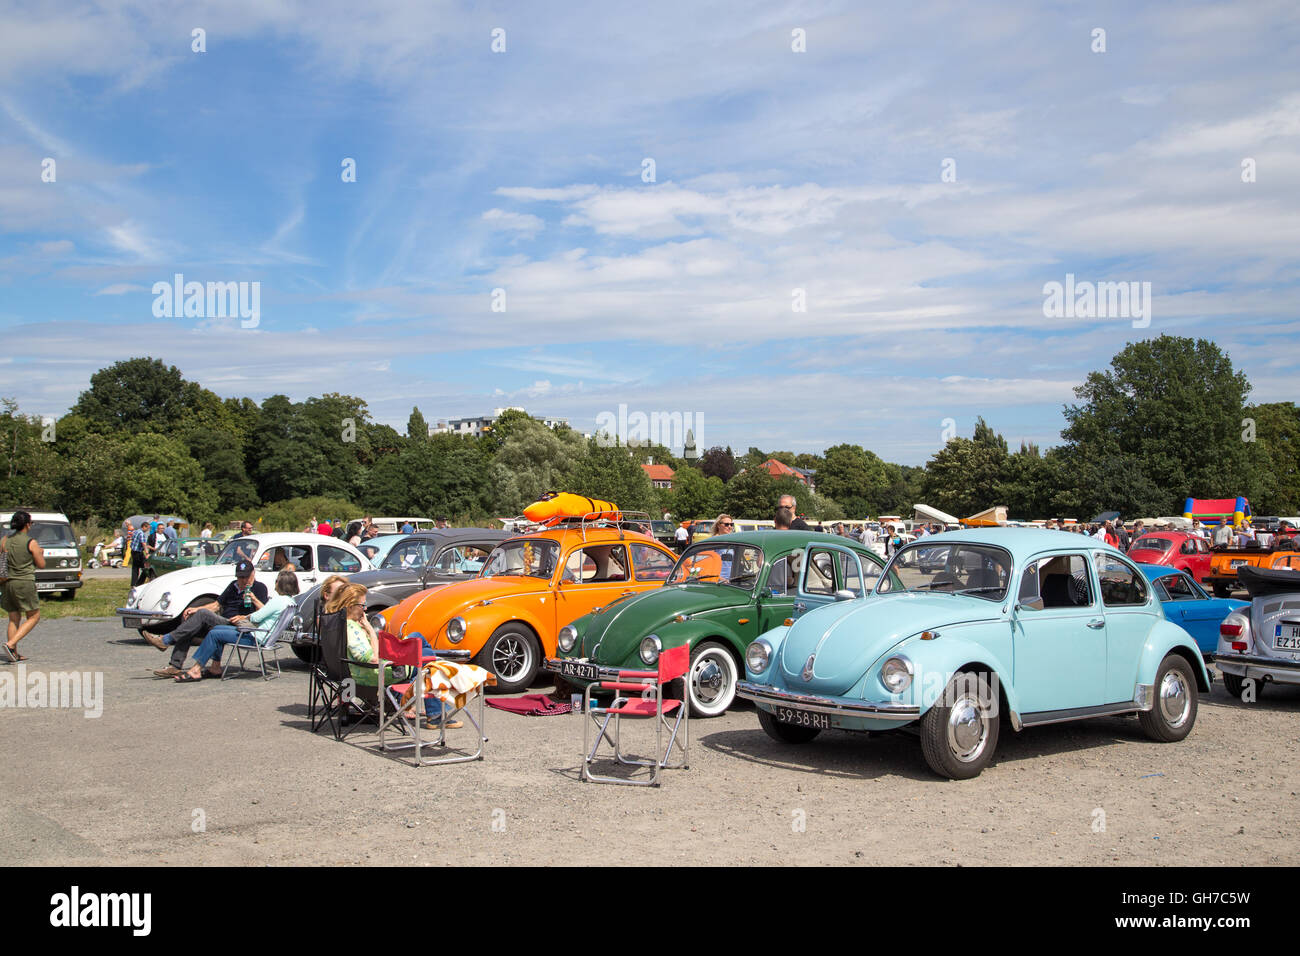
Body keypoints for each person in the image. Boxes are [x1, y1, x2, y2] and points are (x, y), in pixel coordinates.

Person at [334, 582, 461, 729]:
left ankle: (412, 702)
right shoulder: (351, 628)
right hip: (377, 672)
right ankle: (434, 714)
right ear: (350, 605)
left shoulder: (339, 623)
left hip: (368, 669)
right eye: (362, 605)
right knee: (429, 663)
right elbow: (372, 659)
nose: (366, 609)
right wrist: (370, 631)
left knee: (418, 640)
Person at [138, 560, 270, 677]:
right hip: (224, 620)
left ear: (253, 574)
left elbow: (263, 612)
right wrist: (195, 609)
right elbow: (216, 605)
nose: (242, 580)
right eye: (240, 577)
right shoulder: (233, 586)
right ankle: (175, 665)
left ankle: (165, 640)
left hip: (239, 625)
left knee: (202, 615)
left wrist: (250, 604)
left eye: (245, 577)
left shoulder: (259, 588)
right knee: (191, 620)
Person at [174, 567, 300, 681]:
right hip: (266, 637)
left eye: (277, 581)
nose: (275, 583)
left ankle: (196, 670)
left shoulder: (278, 601)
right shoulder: (291, 602)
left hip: (255, 637)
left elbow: (257, 617)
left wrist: (246, 616)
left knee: (214, 633)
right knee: (217, 630)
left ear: (282, 584)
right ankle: (214, 668)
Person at [2, 511, 46, 661]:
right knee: (34, 616)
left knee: (14, 617)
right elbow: (41, 565)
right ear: (27, 524)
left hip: (7, 583)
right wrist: (41, 553)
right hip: (24, 582)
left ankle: (13, 654)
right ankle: (11, 644)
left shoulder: (4, 540)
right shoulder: (31, 542)